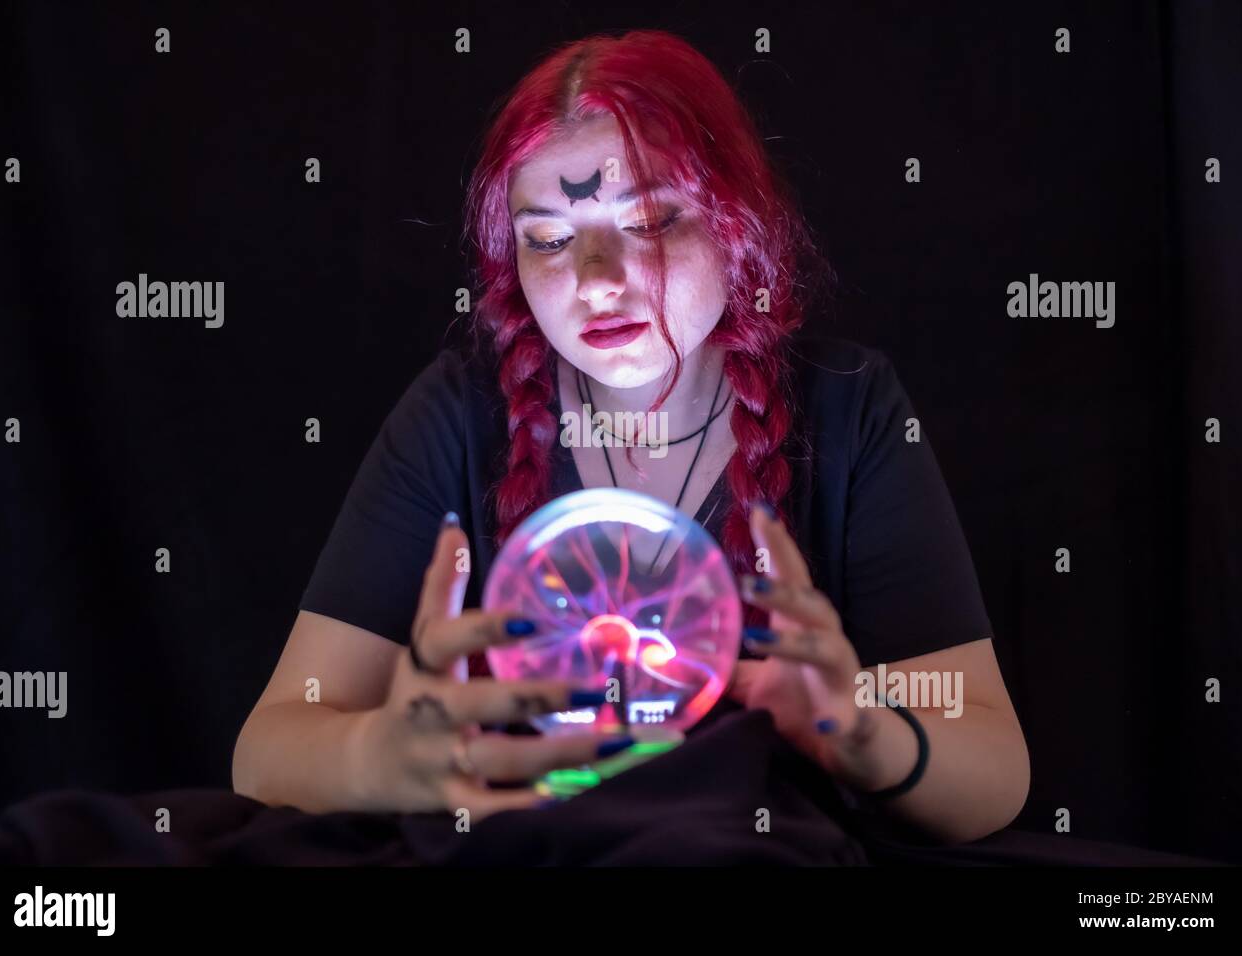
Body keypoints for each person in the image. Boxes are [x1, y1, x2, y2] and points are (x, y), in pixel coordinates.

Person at [232, 29, 1030, 844]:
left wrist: (860, 728)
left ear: (736, 222)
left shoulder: (849, 408)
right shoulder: (459, 412)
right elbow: (268, 749)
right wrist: (380, 755)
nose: (595, 279)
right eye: (547, 238)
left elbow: (992, 772)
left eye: (648, 221)